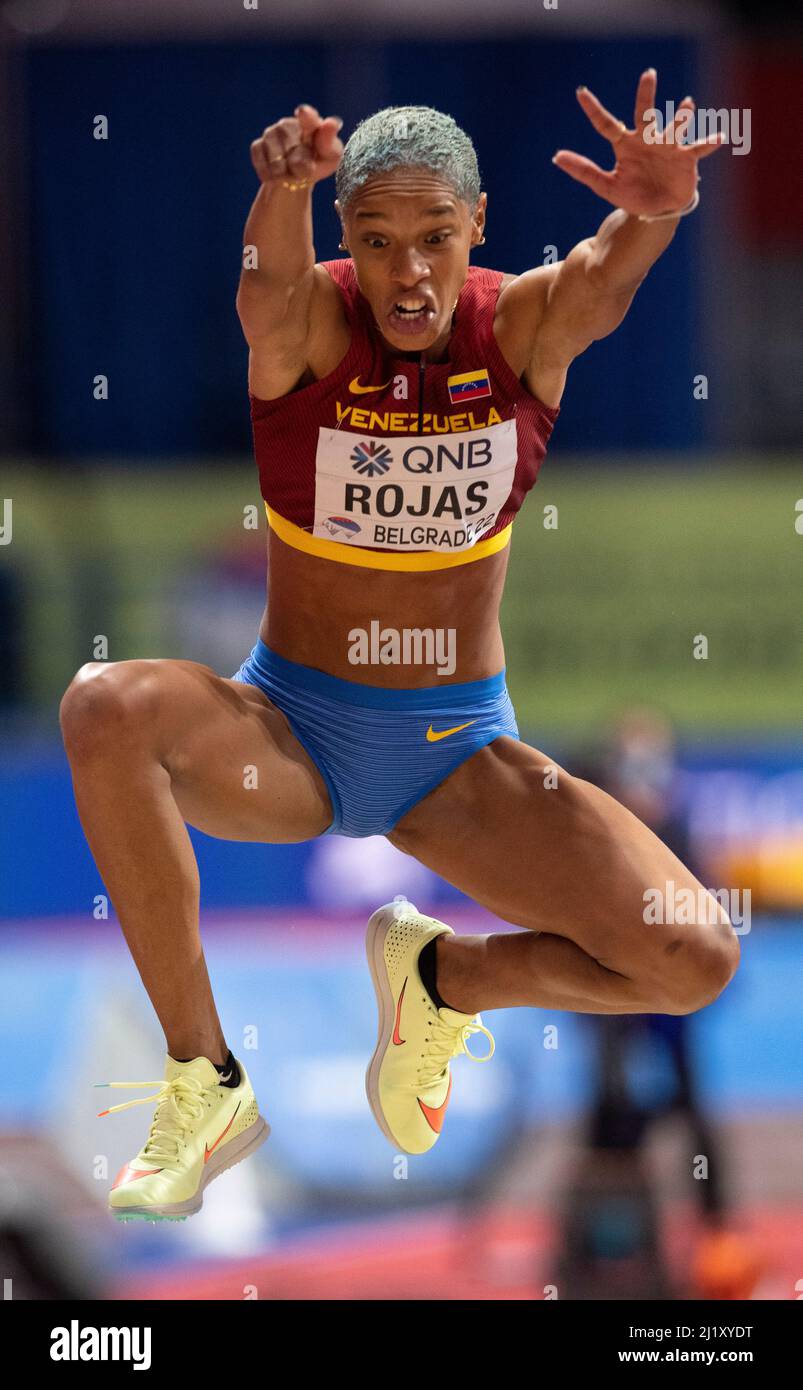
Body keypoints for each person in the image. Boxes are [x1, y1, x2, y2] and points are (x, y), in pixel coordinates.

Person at [59, 73, 739, 1222]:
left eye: (433, 238)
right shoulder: (310, 323)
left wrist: (657, 213)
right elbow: (266, 286)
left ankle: (443, 976)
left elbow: (600, 283)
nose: (408, 271)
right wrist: (278, 190)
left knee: (693, 957)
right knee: (100, 706)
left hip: (453, 757)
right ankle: (204, 1080)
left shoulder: (515, 326)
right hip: (285, 734)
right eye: (377, 241)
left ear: (475, 228)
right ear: (346, 241)